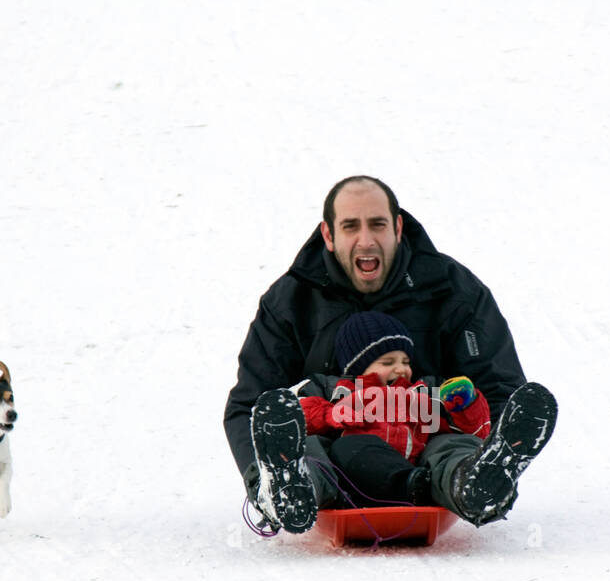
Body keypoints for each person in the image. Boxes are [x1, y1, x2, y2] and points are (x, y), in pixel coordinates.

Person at [224, 175, 557, 534]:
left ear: (398, 228)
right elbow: (252, 406)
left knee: (452, 445)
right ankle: (288, 491)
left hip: (426, 459)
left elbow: (499, 389)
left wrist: (473, 430)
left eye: (378, 224)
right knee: (311, 447)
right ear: (328, 235)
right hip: (338, 464)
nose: (366, 240)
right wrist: (261, 479)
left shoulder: (454, 292)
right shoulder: (291, 302)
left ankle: (472, 483)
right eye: (350, 226)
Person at [300, 311, 493, 508]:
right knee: (326, 447)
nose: (401, 369)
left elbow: (476, 434)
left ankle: (466, 482)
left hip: (420, 482)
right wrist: (329, 414)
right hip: (351, 486)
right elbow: (297, 414)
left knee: (448, 445)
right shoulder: (338, 391)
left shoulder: (424, 391)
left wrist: (465, 406)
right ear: (359, 367)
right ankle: (301, 490)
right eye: (388, 362)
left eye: (406, 362)